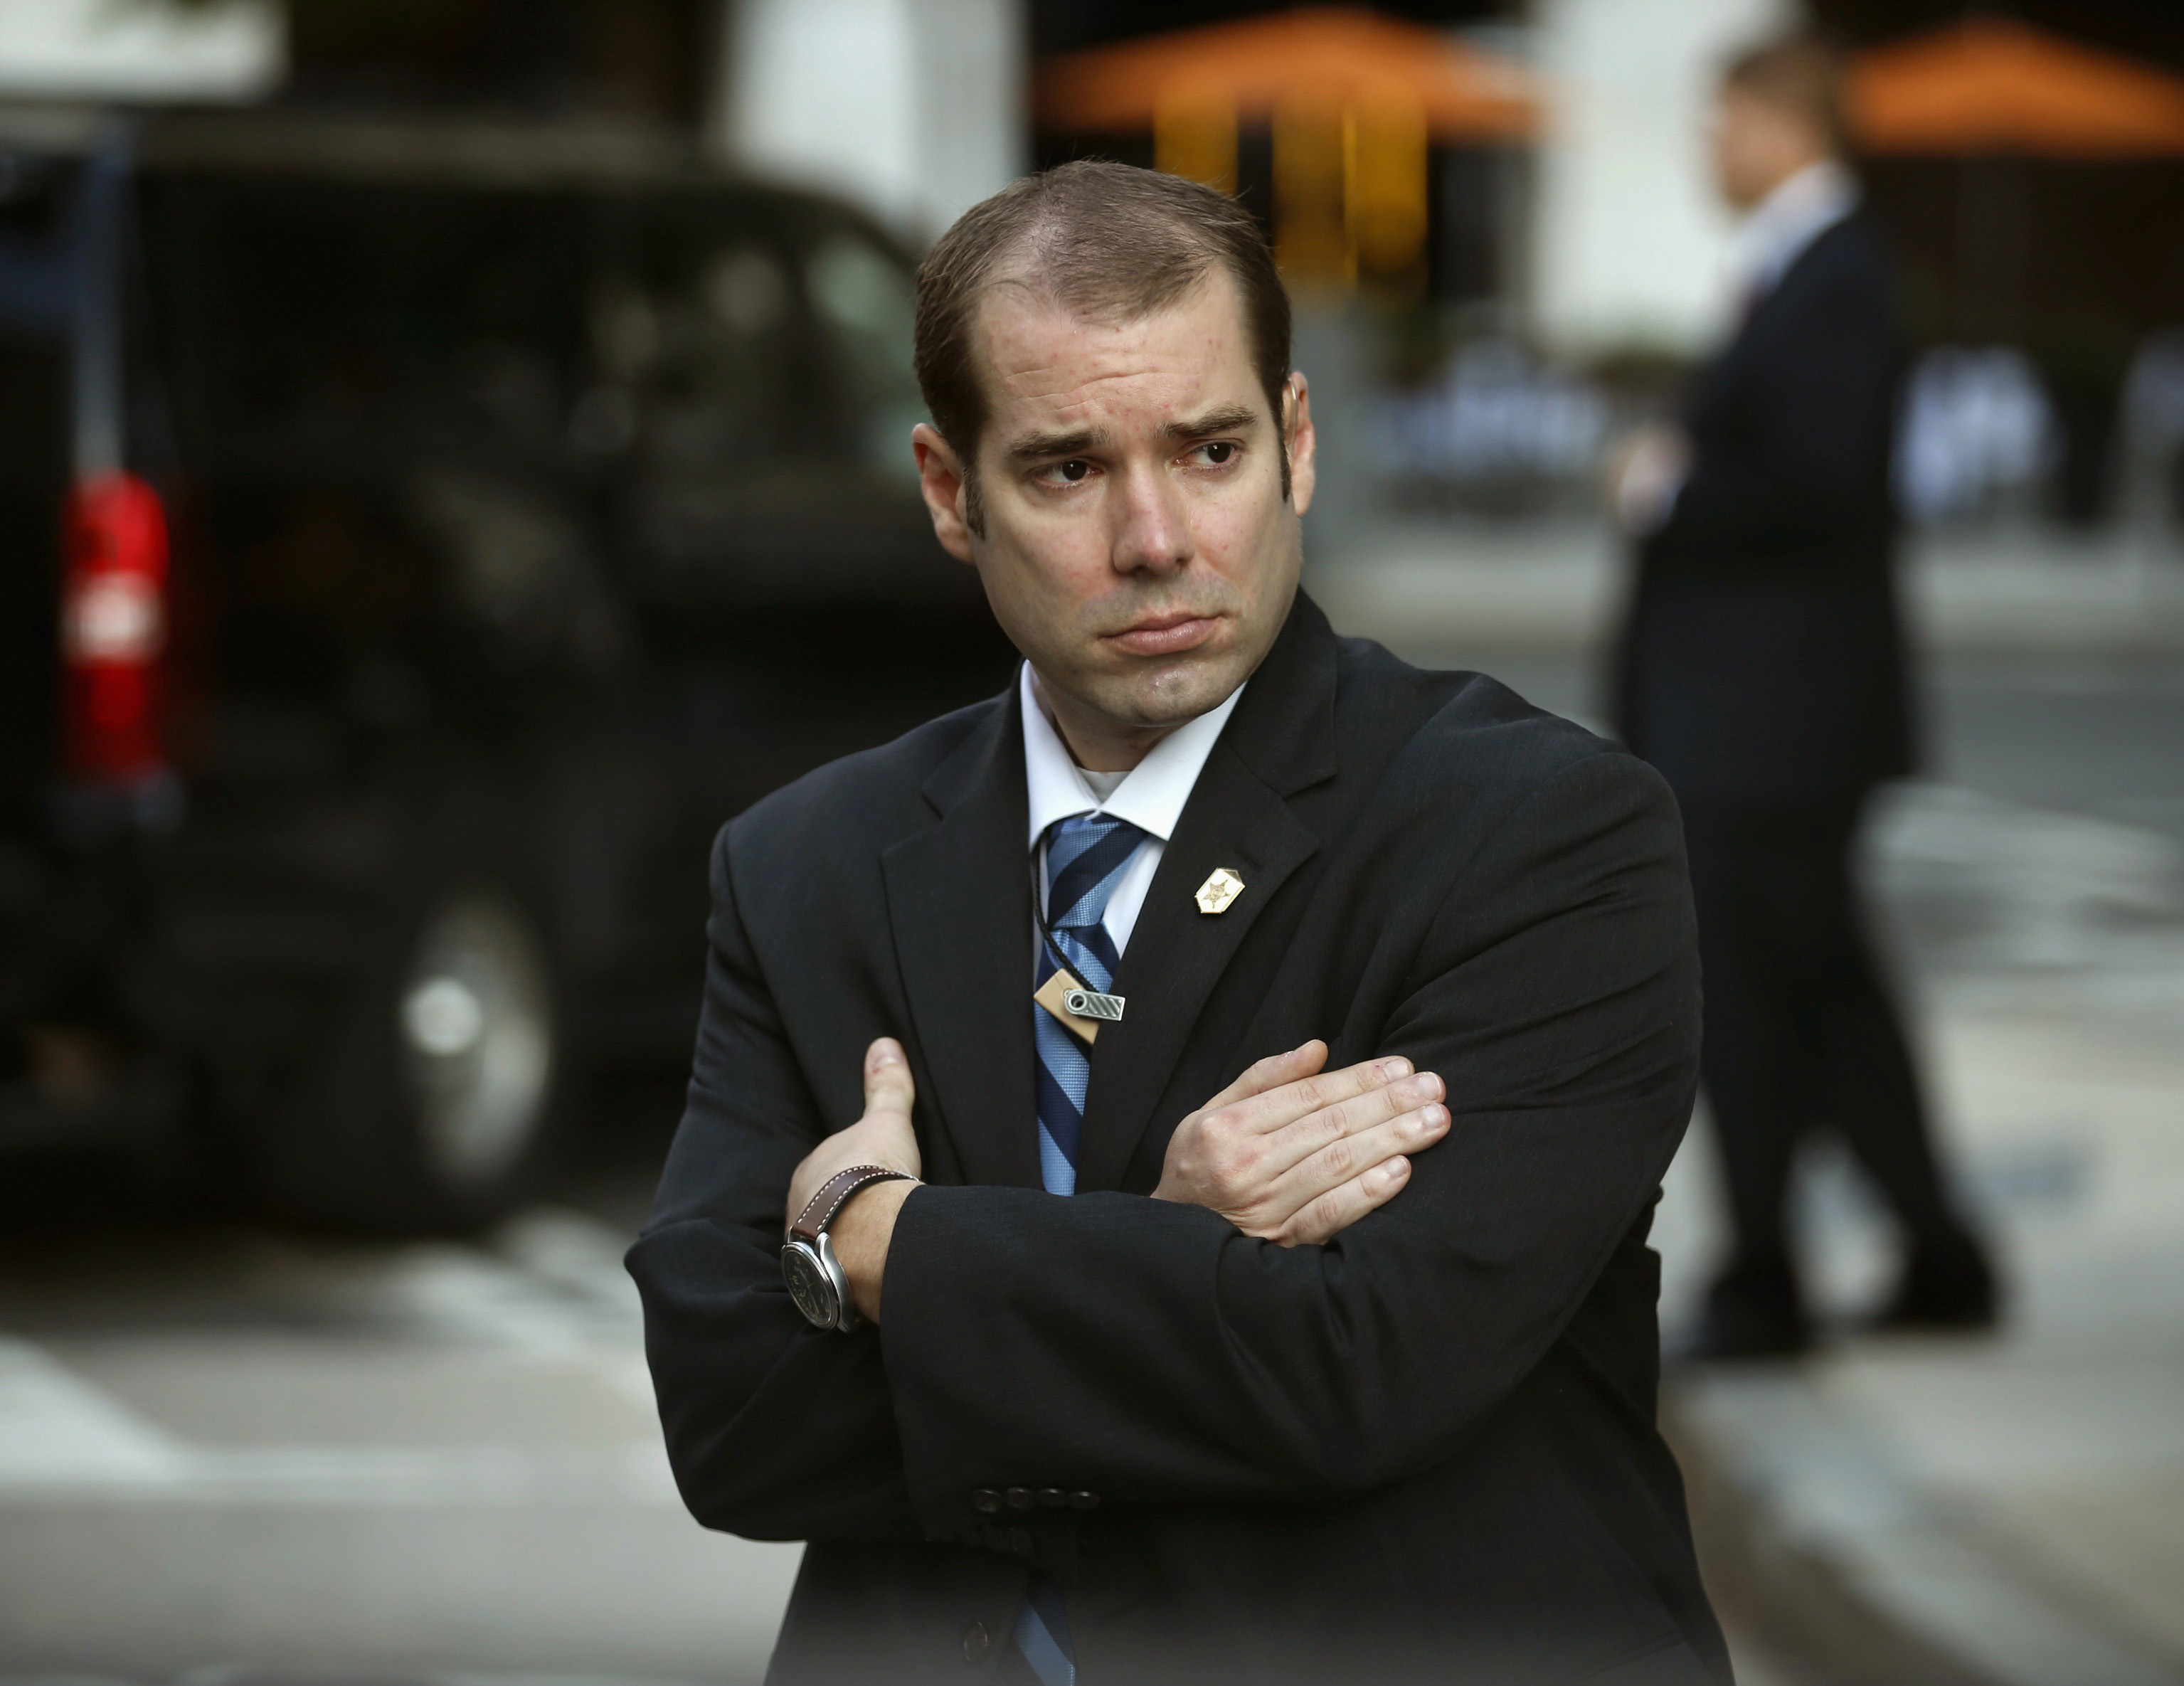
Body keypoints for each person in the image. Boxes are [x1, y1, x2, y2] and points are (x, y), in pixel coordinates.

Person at [628, 161, 1728, 1685]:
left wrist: (878, 1243)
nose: (1154, 537)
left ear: (1295, 441)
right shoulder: (805, 863)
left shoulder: (1545, 835)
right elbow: (733, 1417)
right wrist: (1165, 1249)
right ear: (949, 492)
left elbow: (1361, 1371)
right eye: (1068, 469)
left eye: (1210, 450)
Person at [1612, 33, 1997, 1361]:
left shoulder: (1835, 274)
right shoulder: (1807, 268)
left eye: (1721, 122)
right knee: (1824, 992)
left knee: (1758, 1005)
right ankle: (1937, 1252)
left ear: (1786, 125)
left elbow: (1822, 483)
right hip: (1768, 720)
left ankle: (1769, 1278)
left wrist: (1665, 488)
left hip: (1772, 725)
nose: (1707, 148)